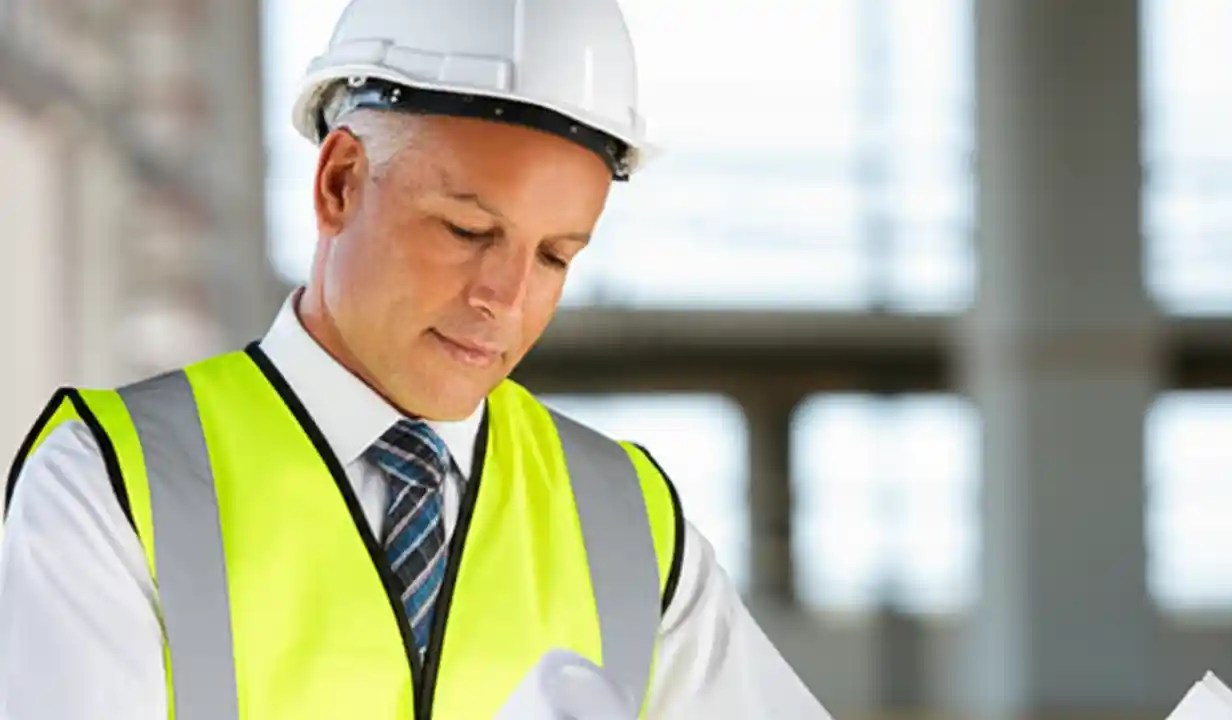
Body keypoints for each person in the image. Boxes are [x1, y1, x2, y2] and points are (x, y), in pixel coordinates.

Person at [0, 0, 830, 717]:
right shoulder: (113, 484)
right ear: (340, 183)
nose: (503, 298)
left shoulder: (629, 522)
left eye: (555, 257)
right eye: (468, 231)